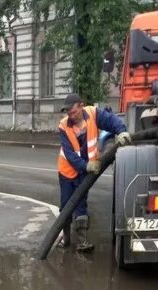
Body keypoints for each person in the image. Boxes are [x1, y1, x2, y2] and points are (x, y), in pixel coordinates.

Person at [57, 93, 132, 251]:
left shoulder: (93, 114)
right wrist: (86, 166)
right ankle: (66, 238)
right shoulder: (63, 126)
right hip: (67, 172)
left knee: (81, 204)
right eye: (69, 113)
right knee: (66, 205)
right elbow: (70, 154)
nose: (71, 116)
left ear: (81, 105)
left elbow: (111, 120)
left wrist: (121, 131)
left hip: (85, 172)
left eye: (73, 112)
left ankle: (82, 241)